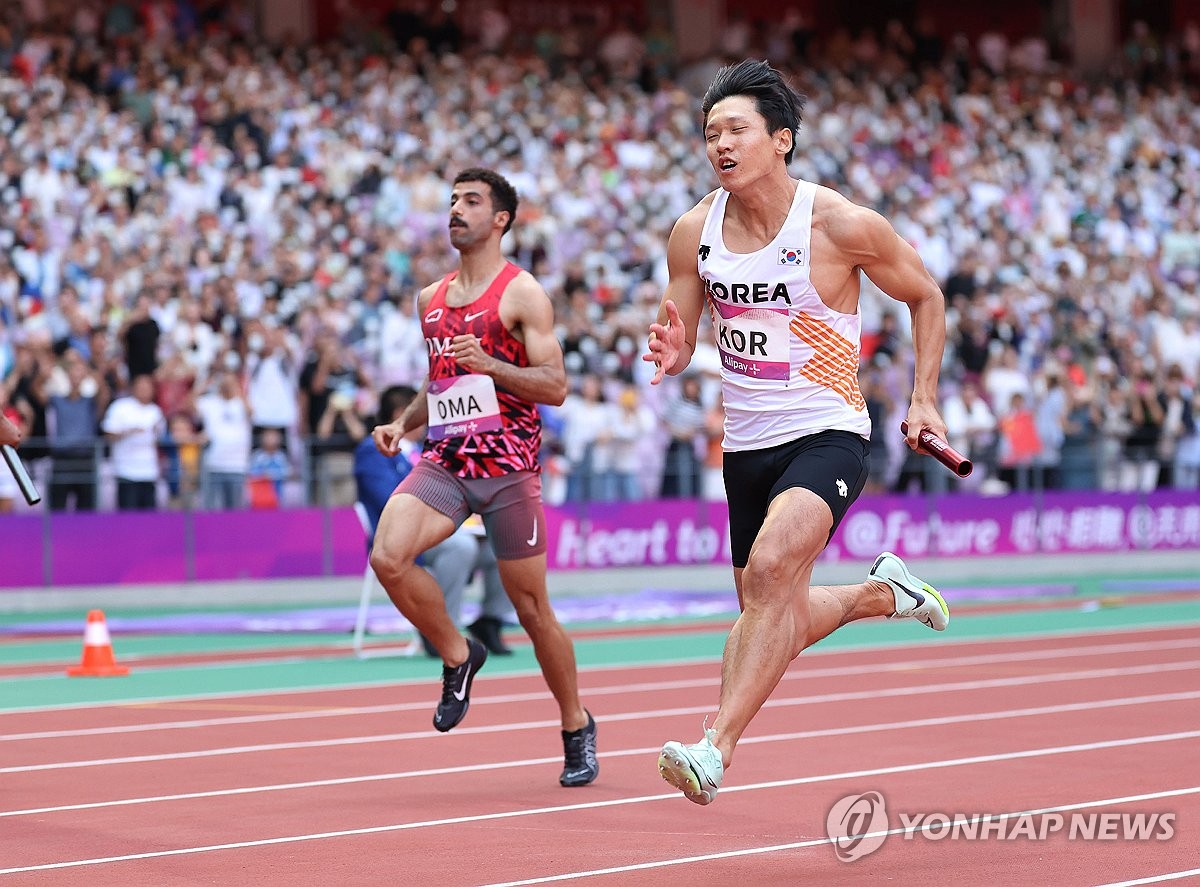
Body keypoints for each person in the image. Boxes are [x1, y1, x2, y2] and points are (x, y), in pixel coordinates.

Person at [643, 60, 950, 806]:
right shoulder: (694, 231)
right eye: (711, 131)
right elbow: (681, 327)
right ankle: (885, 593)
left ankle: (714, 747)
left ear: (780, 140)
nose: (720, 143)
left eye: (736, 129)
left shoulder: (838, 223)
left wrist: (925, 399)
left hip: (828, 432)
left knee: (775, 566)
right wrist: (673, 348)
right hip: (746, 446)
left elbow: (926, 294)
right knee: (769, 604)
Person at [370, 168, 597, 787]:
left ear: (500, 219)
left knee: (532, 610)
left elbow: (555, 387)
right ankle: (459, 651)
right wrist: (404, 423)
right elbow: (440, 380)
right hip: (445, 462)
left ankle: (575, 724)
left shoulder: (522, 294)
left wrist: (493, 365)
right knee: (388, 556)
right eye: (451, 201)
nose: (455, 210)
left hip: (508, 472)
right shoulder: (430, 300)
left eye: (471, 202)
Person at [354, 385, 515, 657]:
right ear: (401, 413)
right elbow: (388, 500)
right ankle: (441, 630)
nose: (429, 420)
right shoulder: (373, 450)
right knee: (460, 547)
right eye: (423, 412)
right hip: (402, 538)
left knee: (503, 542)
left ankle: (491, 621)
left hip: (439, 530)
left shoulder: (426, 449)